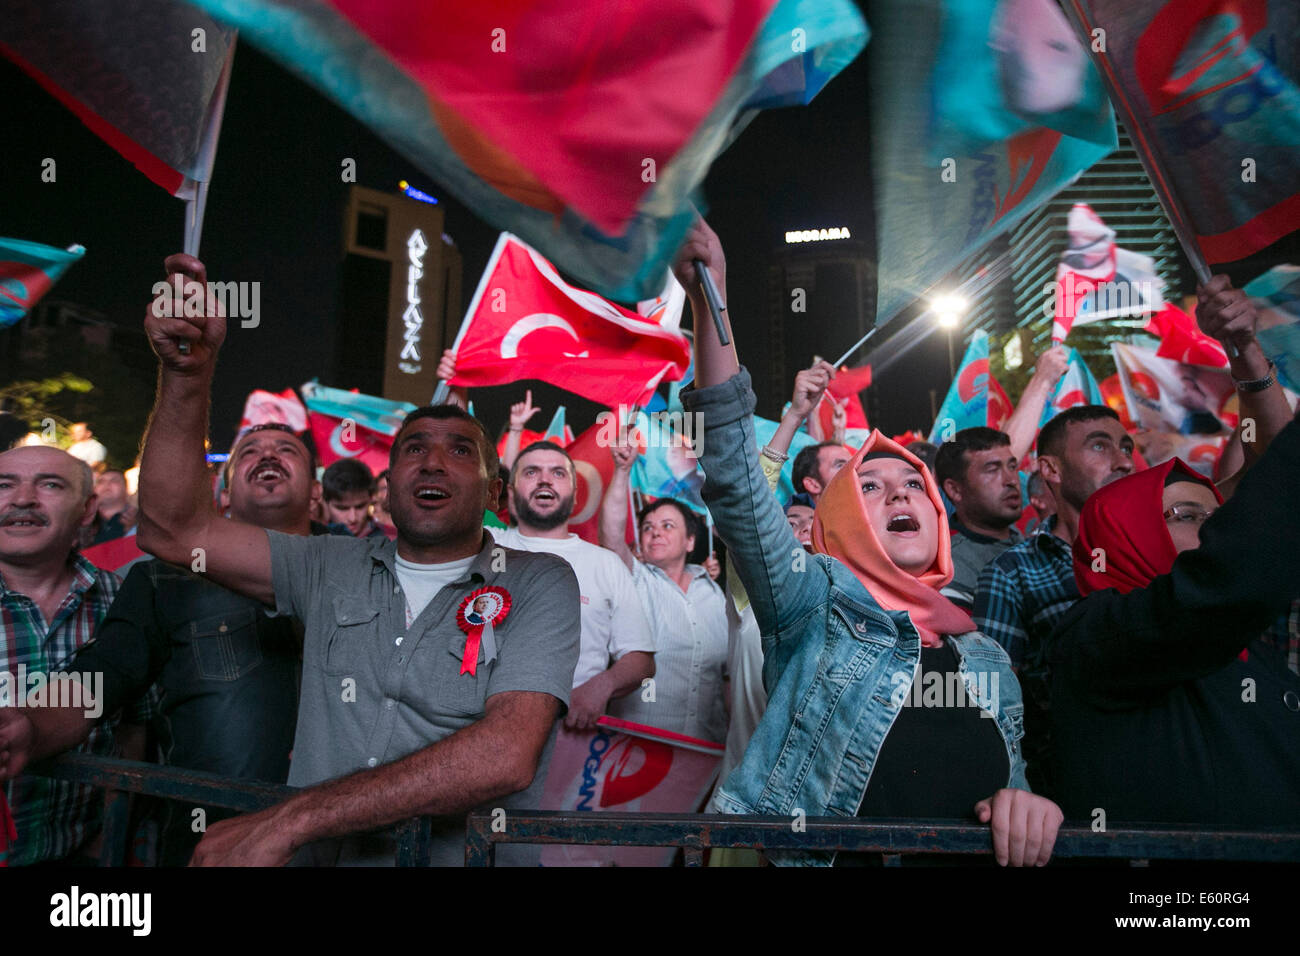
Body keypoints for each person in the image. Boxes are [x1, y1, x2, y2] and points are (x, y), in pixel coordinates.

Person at [27, 253, 579, 867]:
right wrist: (188, 372)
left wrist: (291, 821)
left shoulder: (539, 582)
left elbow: (505, 754)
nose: (431, 462)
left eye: (459, 450)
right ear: (386, 488)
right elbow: (170, 527)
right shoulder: (328, 566)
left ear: (495, 493)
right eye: (413, 448)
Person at [677, 218, 1061, 867]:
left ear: (941, 516)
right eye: (871, 488)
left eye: (914, 483)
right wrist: (710, 294)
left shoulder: (988, 656)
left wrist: (1029, 806)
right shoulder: (813, 607)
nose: (902, 494)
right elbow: (738, 480)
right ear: (841, 522)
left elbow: (1013, 792)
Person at [13, 424, 328, 865]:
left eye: (286, 449)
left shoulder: (369, 576)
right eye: (250, 451)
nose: (268, 455)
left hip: (353, 844)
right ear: (224, 494)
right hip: (215, 847)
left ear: (315, 491)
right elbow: (99, 677)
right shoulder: (165, 579)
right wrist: (30, 723)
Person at [1047, 432, 1300, 826]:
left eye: (1218, 517)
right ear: (1124, 532)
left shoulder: (1259, 655)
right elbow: (1222, 585)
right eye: (1188, 515)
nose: (1212, 532)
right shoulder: (1093, 634)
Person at [0, 445, 150, 866]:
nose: (23, 498)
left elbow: (135, 728)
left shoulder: (124, 602)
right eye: (4, 485)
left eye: (49, 484)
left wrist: (113, 836)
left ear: (87, 509)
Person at [490, 440, 654, 729]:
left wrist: (602, 686)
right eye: (531, 472)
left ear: (576, 495)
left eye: (558, 473)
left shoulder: (606, 564)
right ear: (512, 494)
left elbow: (641, 660)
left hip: (570, 736)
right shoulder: (485, 546)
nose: (544, 479)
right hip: (482, 730)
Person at [600, 466, 728, 744]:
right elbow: (611, 537)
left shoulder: (713, 592)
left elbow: (727, 677)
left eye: (667, 526)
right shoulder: (634, 580)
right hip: (637, 752)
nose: (655, 533)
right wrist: (621, 470)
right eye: (648, 528)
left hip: (708, 753)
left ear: (690, 541)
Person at [933, 427, 1025, 611]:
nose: (1011, 480)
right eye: (992, 470)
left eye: (1012, 467)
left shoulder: (1025, 540)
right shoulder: (951, 570)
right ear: (955, 490)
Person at [321, 459, 386, 539]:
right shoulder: (312, 539)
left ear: (371, 499)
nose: (352, 518)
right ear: (325, 502)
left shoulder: (389, 539)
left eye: (360, 507)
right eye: (342, 508)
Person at [91, 469, 136, 544]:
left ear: (126, 489)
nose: (107, 484)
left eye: (114, 481)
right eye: (101, 482)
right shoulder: (83, 523)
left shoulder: (140, 521)